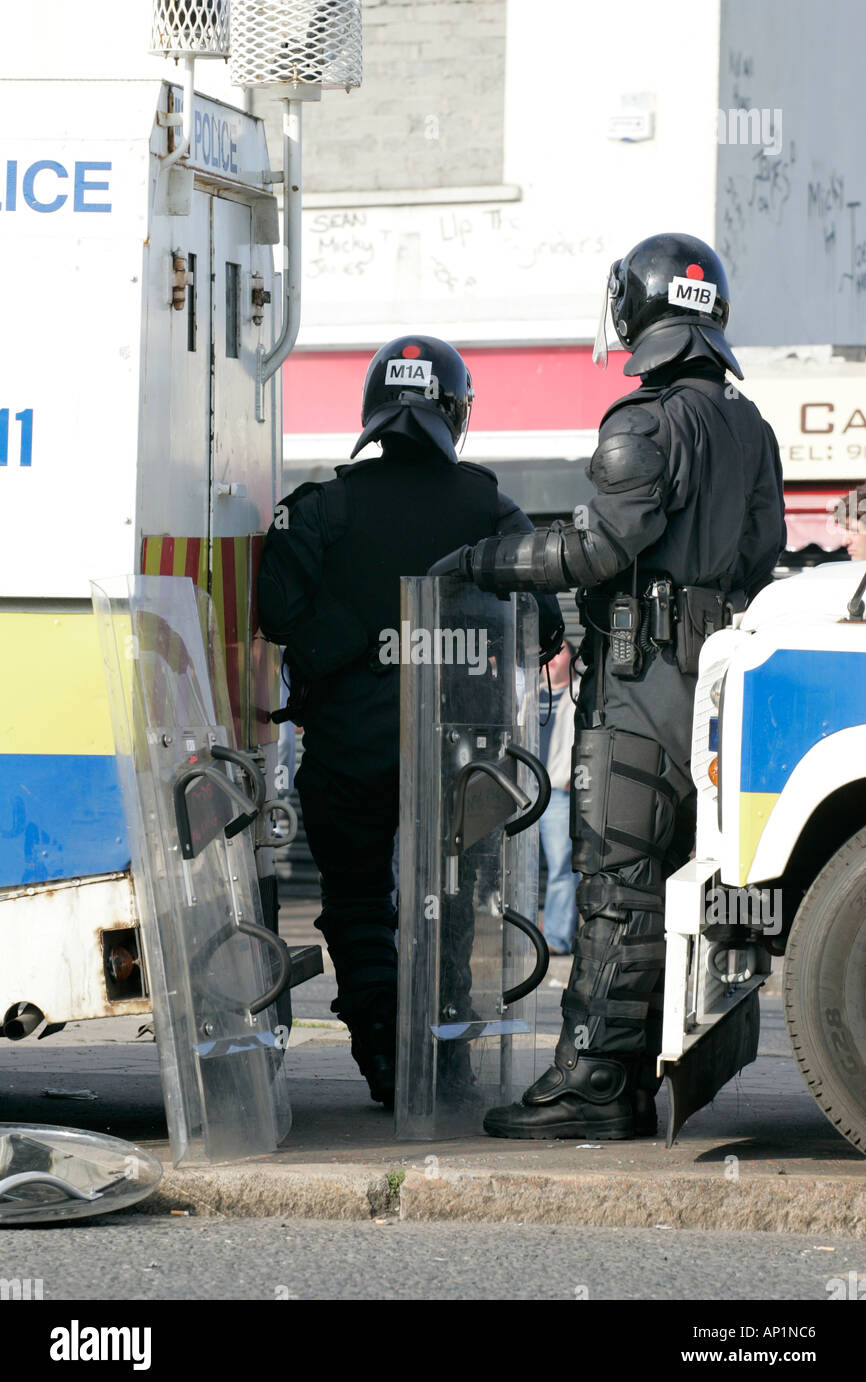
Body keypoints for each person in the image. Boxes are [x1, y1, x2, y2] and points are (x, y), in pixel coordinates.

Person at [432, 233, 787, 1140]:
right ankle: (630, 1082)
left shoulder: (644, 423)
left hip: (634, 693)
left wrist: (483, 559)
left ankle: (592, 1084)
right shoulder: (751, 428)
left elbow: (593, 550)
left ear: (640, 308)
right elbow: (757, 561)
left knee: (616, 892)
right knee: (675, 892)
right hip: (713, 694)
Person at [257, 334, 563, 1108]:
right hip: (462, 755)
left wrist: (353, 638)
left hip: (350, 749)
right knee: (457, 907)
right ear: (455, 413)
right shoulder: (494, 507)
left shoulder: (320, 508)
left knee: (359, 905)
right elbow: (548, 626)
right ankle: (448, 1066)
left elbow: (274, 612)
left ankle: (389, 1064)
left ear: (373, 411)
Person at [538, 641, 581, 956]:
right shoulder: (529, 693)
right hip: (523, 794)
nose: (552, 657)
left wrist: (571, 779)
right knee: (517, 870)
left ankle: (556, 938)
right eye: (548, 652)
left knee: (561, 868)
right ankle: (523, 934)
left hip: (556, 793)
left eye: (560, 650)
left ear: (572, 658)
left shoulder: (578, 694)